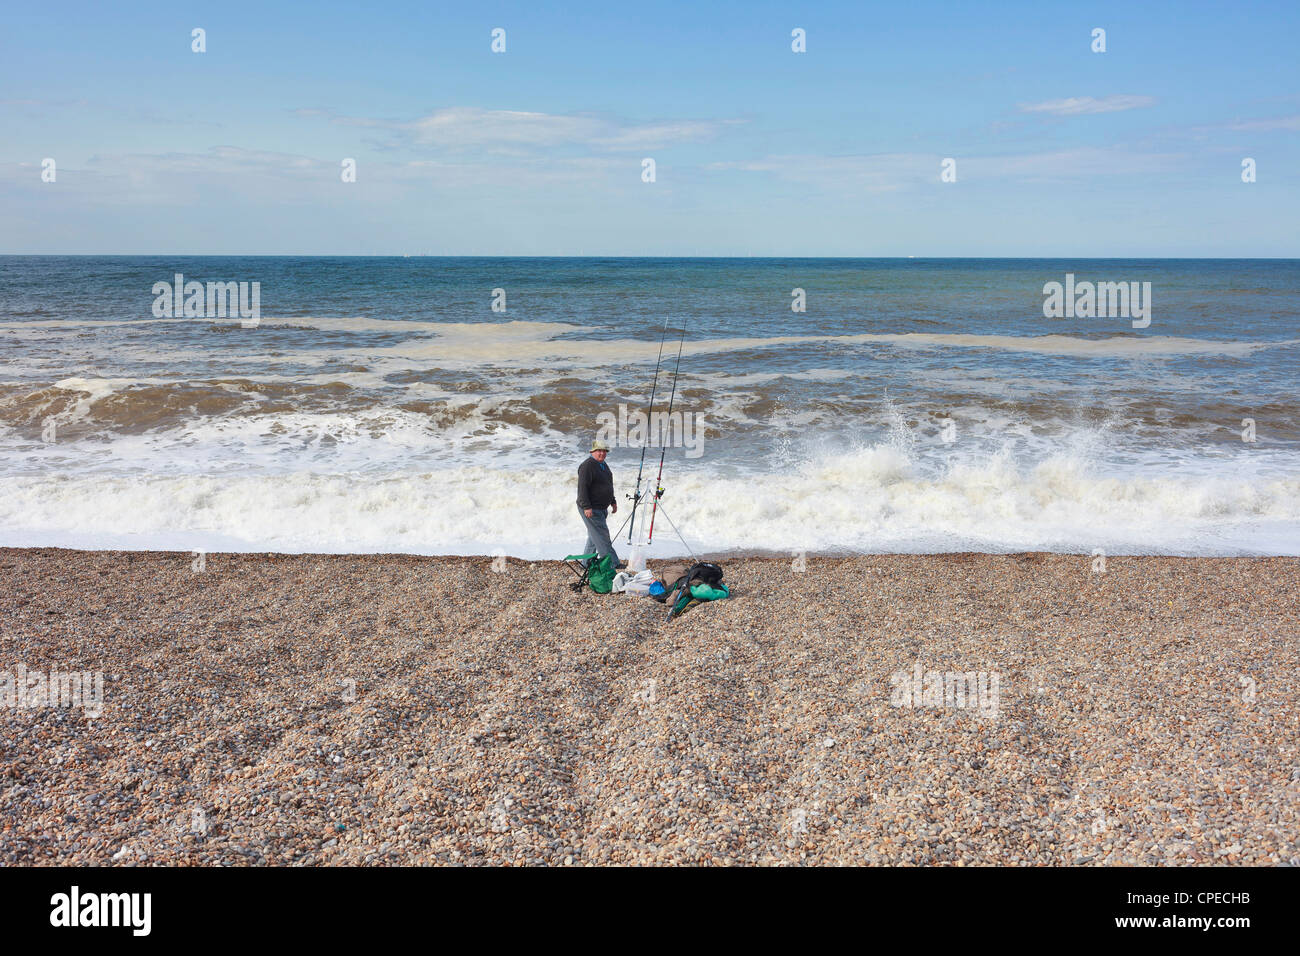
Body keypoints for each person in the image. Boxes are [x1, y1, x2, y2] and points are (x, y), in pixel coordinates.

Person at [577, 439, 621, 568]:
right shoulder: (587, 466)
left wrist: (613, 502)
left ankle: (585, 563)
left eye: (604, 451)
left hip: (602, 508)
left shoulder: (603, 465)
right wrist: (587, 507)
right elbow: (582, 488)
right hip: (591, 508)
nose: (602, 453)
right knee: (602, 536)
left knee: (594, 536)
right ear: (592, 451)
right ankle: (613, 564)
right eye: (599, 451)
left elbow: (608, 485)